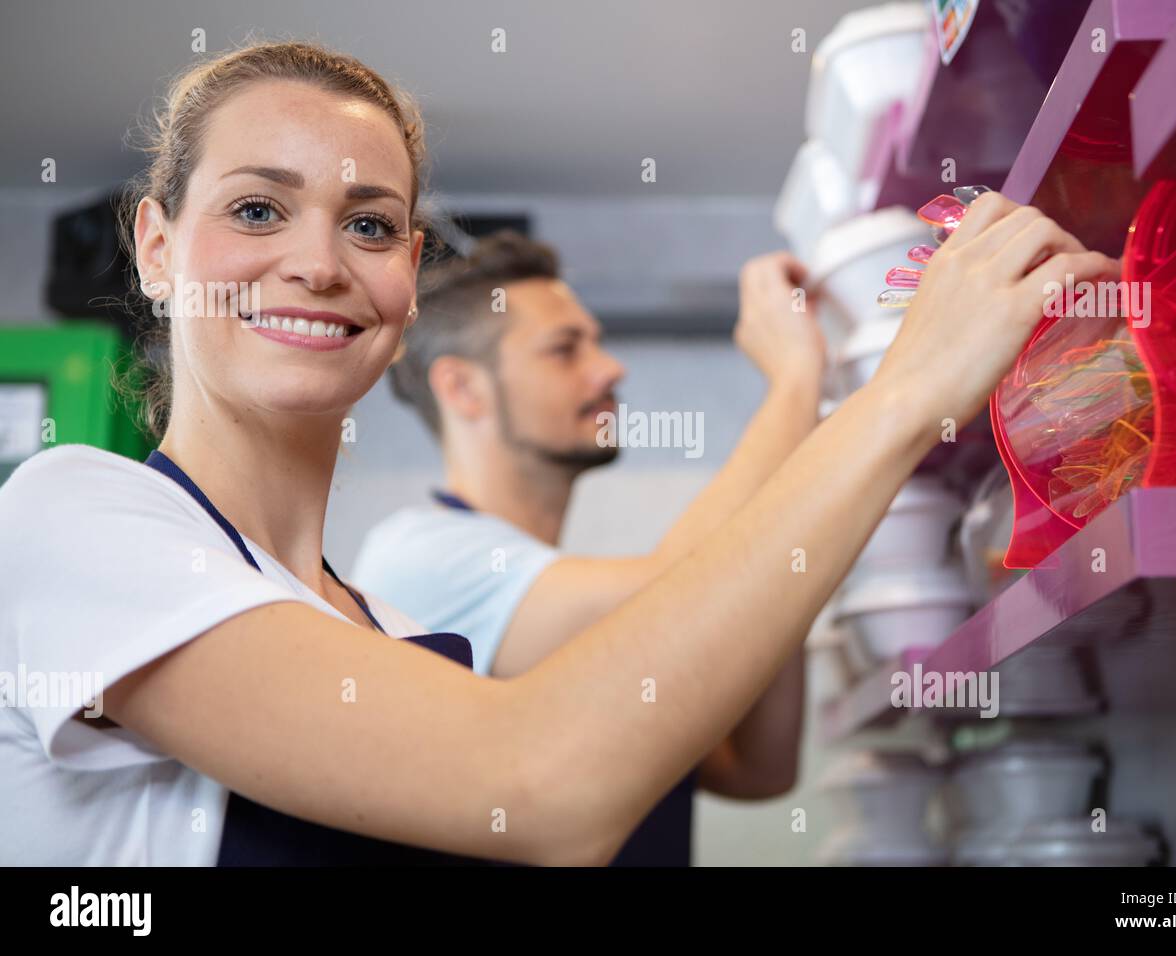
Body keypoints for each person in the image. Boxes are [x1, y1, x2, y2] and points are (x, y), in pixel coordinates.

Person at [0, 40, 1118, 866]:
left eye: (373, 224)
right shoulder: (73, 511)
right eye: (255, 209)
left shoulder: (375, 624)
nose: (319, 262)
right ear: (155, 247)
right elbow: (540, 781)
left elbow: (725, 738)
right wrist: (899, 391)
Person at [352, 234, 821, 865]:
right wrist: (795, 381)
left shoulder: (572, 598)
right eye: (564, 349)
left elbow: (756, 770)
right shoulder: (414, 558)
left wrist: (782, 559)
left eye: (595, 342)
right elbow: (680, 595)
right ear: (463, 389)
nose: (609, 369)